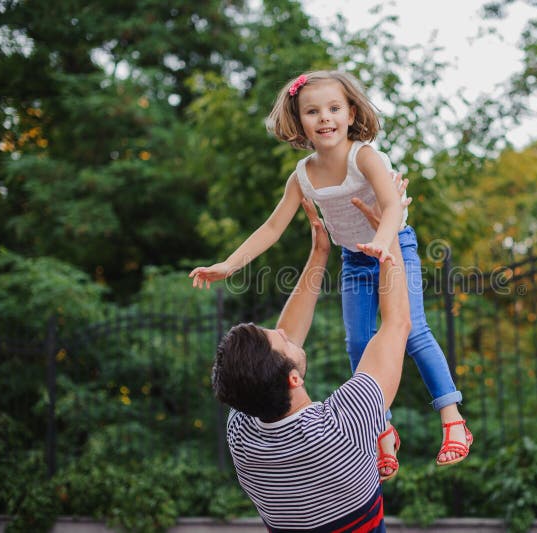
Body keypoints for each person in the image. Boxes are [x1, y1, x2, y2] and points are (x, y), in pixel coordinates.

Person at [190, 71, 472, 479]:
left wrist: (382, 240)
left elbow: (393, 206)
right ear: (298, 119)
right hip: (355, 261)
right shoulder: (302, 175)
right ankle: (381, 429)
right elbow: (272, 228)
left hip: (395, 246)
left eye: (334, 109)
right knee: (358, 341)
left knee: (413, 332)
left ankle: (452, 418)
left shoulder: (365, 157)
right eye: (313, 111)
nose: (325, 118)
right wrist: (228, 265)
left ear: (351, 112)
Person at [210, 197, 409, 532]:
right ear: (292, 379)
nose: (285, 331)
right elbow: (397, 323)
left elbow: (275, 355)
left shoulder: (242, 432)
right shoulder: (344, 422)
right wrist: (389, 234)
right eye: (281, 339)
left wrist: (319, 257)